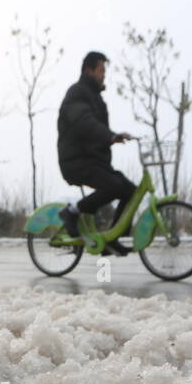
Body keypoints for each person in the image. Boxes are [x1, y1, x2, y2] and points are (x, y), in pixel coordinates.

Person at [56, 50, 135, 255]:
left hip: (94, 161)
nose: (104, 75)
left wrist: (114, 136)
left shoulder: (96, 98)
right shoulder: (77, 93)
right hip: (77, 161)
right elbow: (85, 122)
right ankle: (71, 212)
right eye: (101, 70)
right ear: (88, 70)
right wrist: (110, 136)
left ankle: (113, 237)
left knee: (130, 190)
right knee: (113, 186)